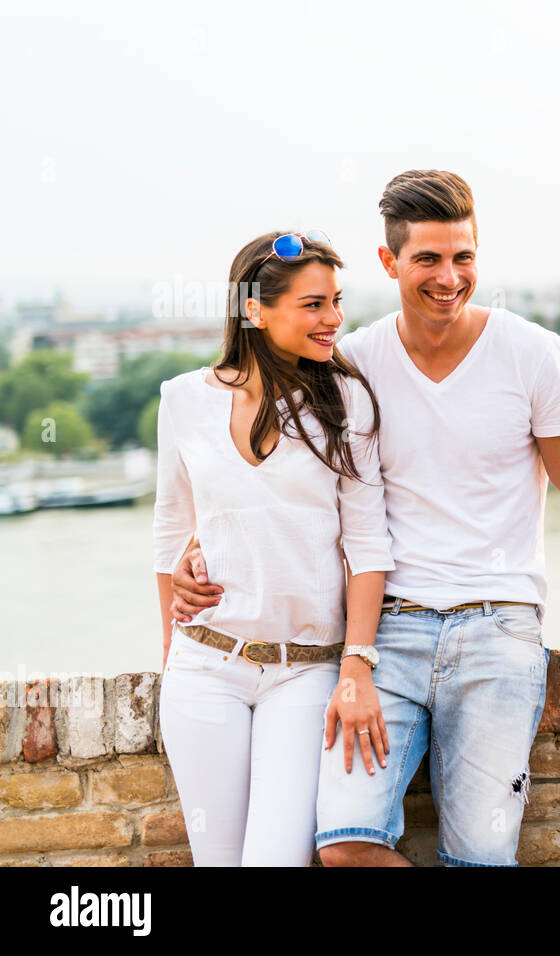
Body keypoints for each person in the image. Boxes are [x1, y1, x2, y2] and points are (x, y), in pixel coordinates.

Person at [169, 170, 560, 867]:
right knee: (345, 848)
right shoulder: (350, 368)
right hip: (391, 632)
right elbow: (274, 481)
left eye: (463, 257)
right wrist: (200, 548)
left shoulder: (535, 355)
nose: (449, 277)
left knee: (481, 855)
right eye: (429, 259)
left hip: (500, 627)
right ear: (390, 263)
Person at [154, 231, 393, 866]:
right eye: (313, 304)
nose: (334, 319)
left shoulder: (347, 403)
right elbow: (168, 529)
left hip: (307, 671)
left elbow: (369, 549)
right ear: (254, 310)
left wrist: (356, 668)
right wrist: (171, 655)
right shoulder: (182, 400)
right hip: (204, 671)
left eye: (337, 301)